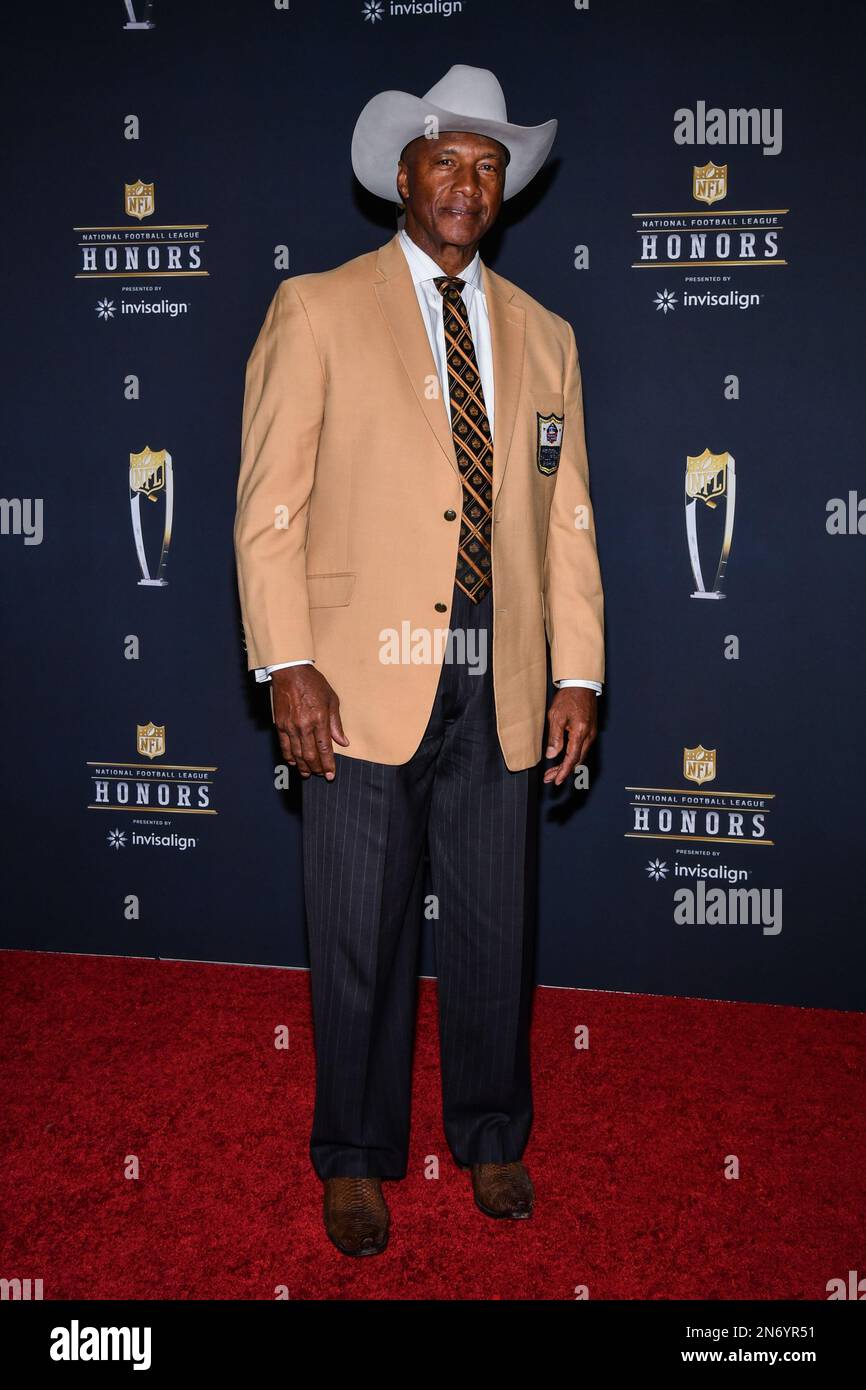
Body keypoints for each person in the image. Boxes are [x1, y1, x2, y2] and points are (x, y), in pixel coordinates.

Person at [234, 64, 605, 1257]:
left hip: (496, 671)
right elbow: (267, 511)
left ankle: (491, 1136)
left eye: (487, 167)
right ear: (402, 175)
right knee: (357, 930)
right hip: (351, 679)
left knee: (497, 923)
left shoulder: (546, 336)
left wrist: (577, 672)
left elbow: (568, 520)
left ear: (506, 189)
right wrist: (285, 660)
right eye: (444, 160)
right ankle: (353, 1153)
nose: (465, 183)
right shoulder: (317, 308)